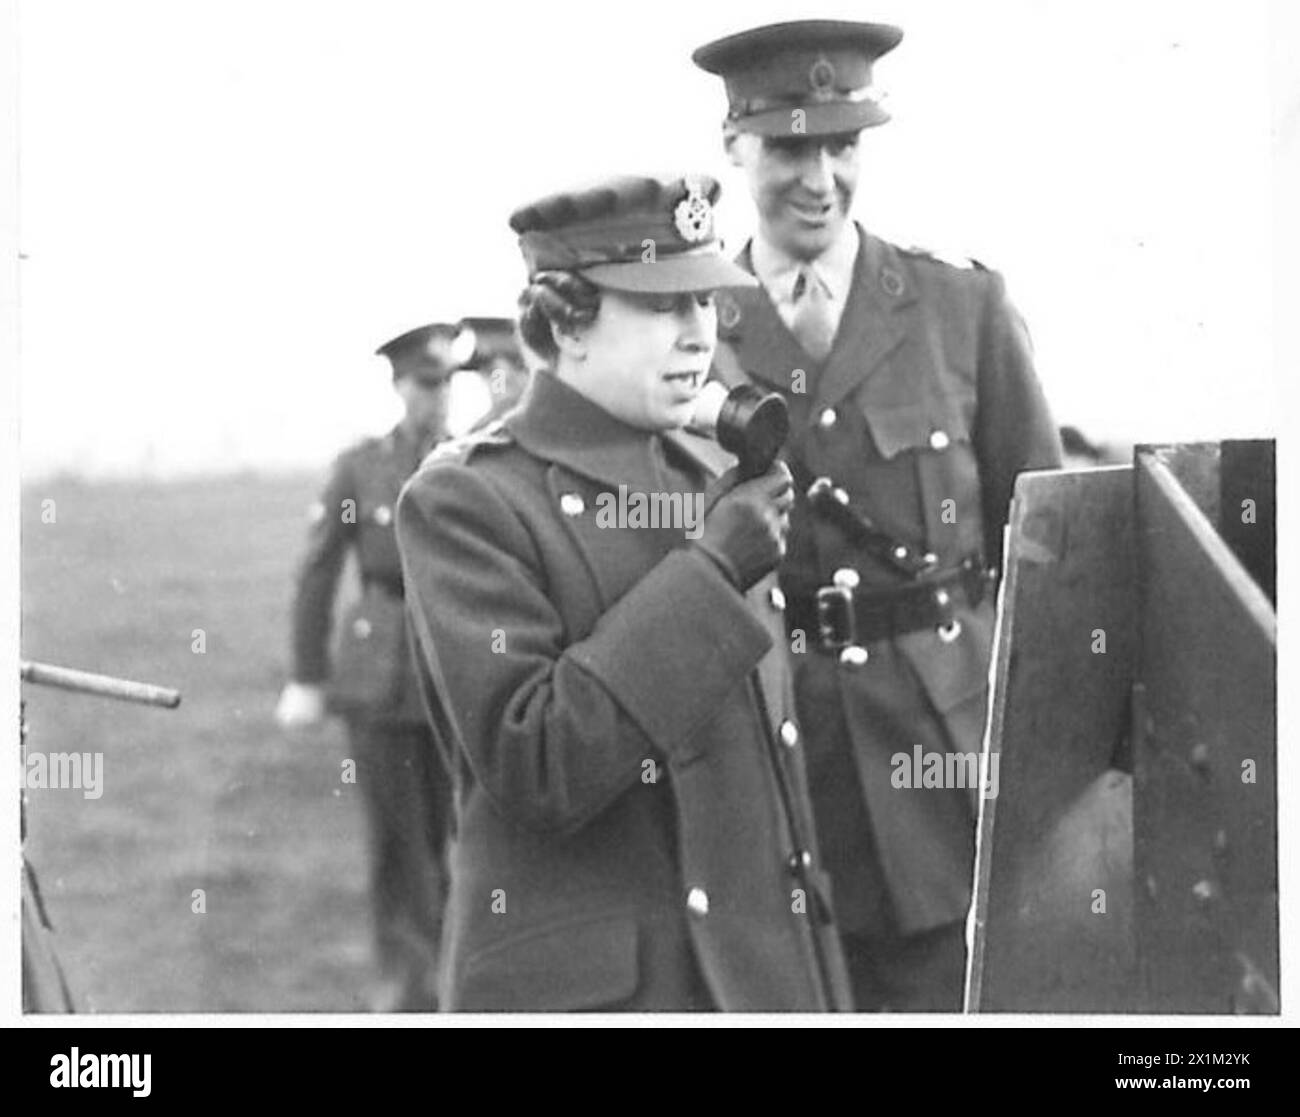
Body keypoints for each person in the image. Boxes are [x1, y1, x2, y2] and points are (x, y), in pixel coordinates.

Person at [395, 174, 850, 1012]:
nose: (696, 337)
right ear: (566, 322)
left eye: (705, 304)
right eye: (661, 308)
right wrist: (712, 574)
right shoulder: (468, 499)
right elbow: (535, 762)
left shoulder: (710, 468)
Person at [692, 20, 1063, 1010]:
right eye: (787, 148)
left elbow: (1048, 549)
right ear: (732, 148)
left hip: (939, 748)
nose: (819, 178)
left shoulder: (959, 307)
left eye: (841, 146)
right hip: (773, 748)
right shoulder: (688, 331)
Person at [274, 324, 459, 1011]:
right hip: (378, 673)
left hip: (457, 671)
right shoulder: (362, 466)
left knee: (457, 839)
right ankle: (405, 991)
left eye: (445, 383)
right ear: (399, 386)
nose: (436, 398)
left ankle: (457, 981)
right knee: (395, 843)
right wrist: (306, 674)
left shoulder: (470, 458)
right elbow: (318, 569)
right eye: (424, 383)